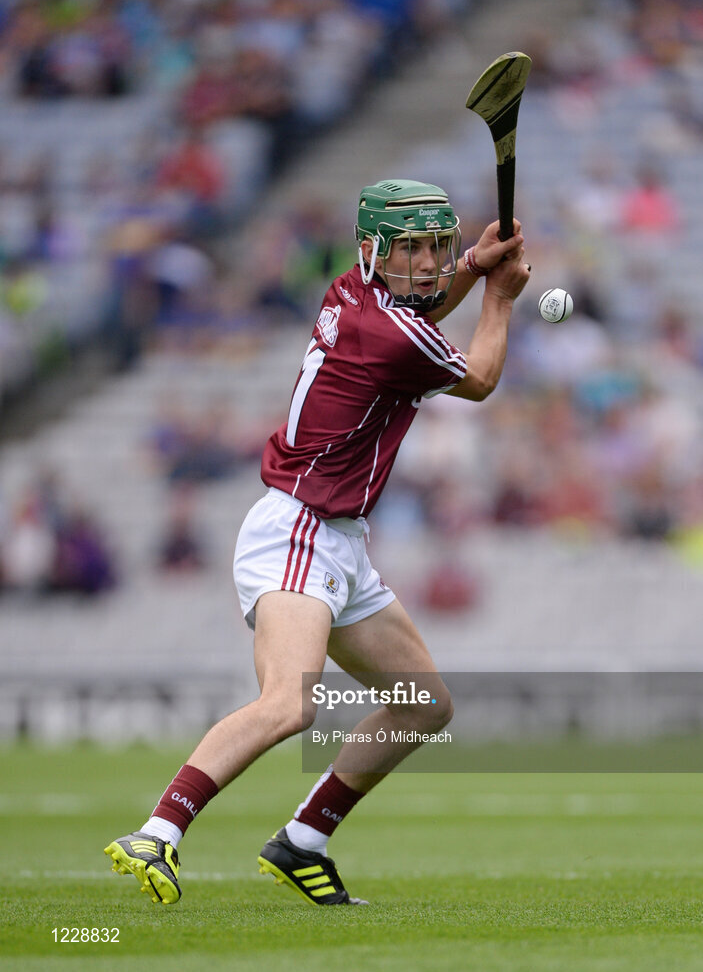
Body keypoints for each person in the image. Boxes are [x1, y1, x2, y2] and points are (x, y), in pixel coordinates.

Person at [104, 179, 530, 906]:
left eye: (435, 247)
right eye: (410, 249)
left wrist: (471, 267)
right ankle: (157, 832)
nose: (427, 263)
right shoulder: (390, 333)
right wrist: (498, 295)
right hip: (299, 530)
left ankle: (302, 839)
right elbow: (482, 377)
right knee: (288, 704)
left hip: (337, 539)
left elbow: (422, 318)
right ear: (373, 251)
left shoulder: (354, 294)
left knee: (422, 703)